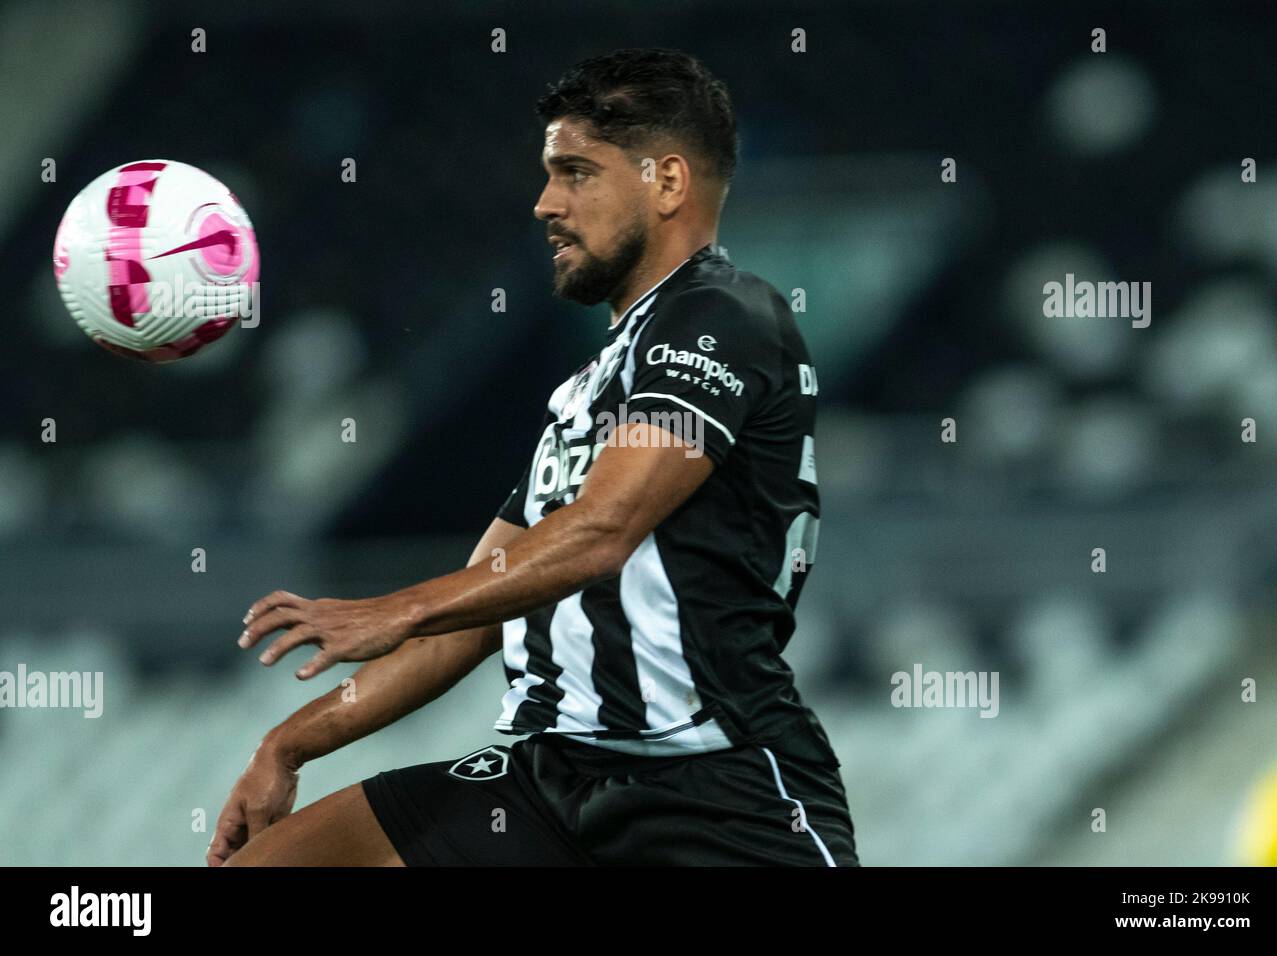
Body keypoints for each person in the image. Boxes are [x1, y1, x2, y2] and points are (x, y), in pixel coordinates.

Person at [210, 47, 856, 867]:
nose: (547, 203)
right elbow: (474, 616)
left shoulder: (725, 317)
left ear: (666, 183)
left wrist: (398, 606)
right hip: (548, 785)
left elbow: (601, 532)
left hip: (715, 799)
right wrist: (289, 744)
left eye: (576, 172)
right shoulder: (591, 390)